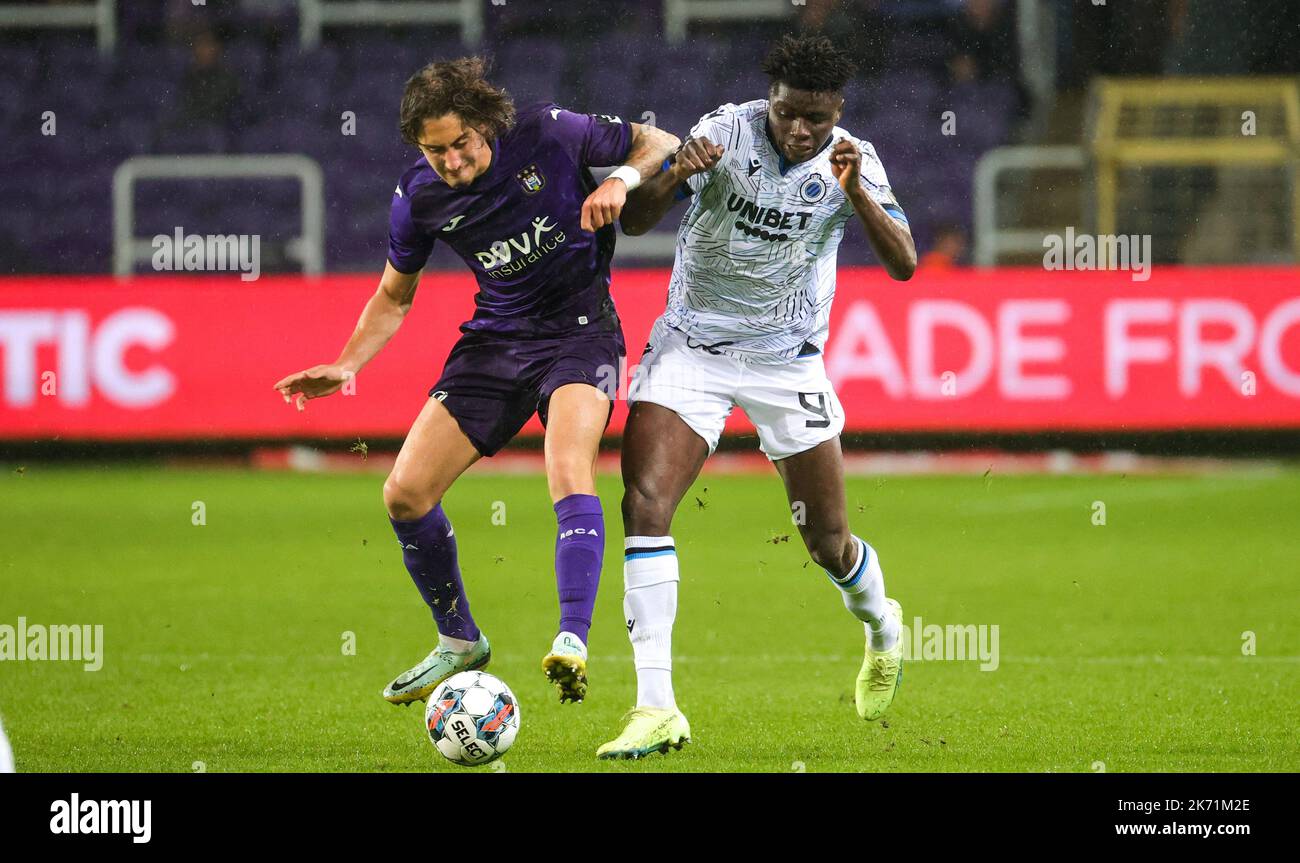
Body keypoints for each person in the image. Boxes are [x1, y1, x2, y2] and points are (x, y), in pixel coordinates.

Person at [273, 57, 680, 707]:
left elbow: (661, 142)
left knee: (568, 467)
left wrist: (622, 181)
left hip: (580, 332)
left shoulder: (549, 132)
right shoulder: (419, 196)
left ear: (485, 125)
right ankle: (459, 639)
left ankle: (571, 640)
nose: (452, 162)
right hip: (494, 344)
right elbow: (393, 295)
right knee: (404, 492)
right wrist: (348, 362)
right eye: (435, 151)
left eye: (461, 144)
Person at [598, 35, 916, 759]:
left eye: (815, 117)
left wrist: (856, 191)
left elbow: (904, 264)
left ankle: (882, 627)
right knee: (644, 504)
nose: (799, 130)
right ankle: (656, 705)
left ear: (837, 110)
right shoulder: (724, 131)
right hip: (693, 349)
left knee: (827, 543)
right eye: (786, 113)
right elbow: (638, 220)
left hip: (787, 364)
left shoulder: (853, 160)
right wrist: (676, 171)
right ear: (767, 99)